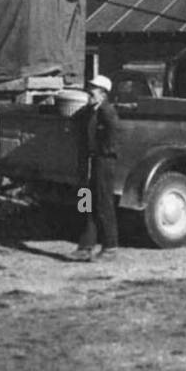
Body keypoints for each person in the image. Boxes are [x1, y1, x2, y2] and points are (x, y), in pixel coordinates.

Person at [68, 74, 120, 262]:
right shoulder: (89, 111)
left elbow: (111, 138)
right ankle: (85, 246)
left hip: (102, 163)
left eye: (94, 89)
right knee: (85, 203)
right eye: (90, 88)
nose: (90, 92)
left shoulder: (107, 112)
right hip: (87, 163)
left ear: (103, 94)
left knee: (103, 204)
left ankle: (110, 247)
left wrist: (100, 153)